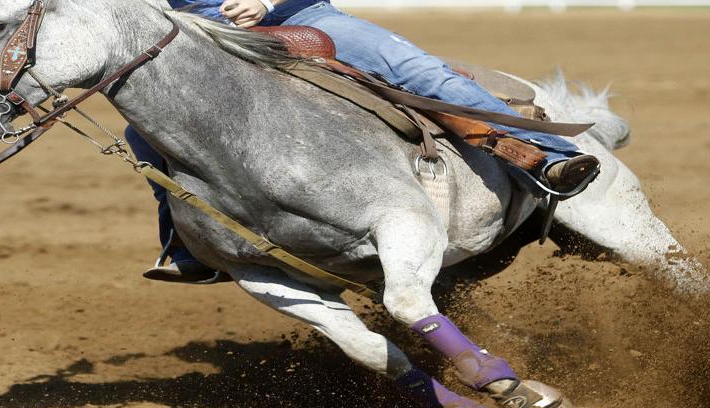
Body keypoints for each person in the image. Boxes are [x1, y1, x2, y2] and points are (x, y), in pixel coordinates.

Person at [136, 0, 600, 283]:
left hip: (298, 16)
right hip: (204, 38)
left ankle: (546, 160)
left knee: (419, 73)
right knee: (144, 130)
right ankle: (186, 242)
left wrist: (263, 2)